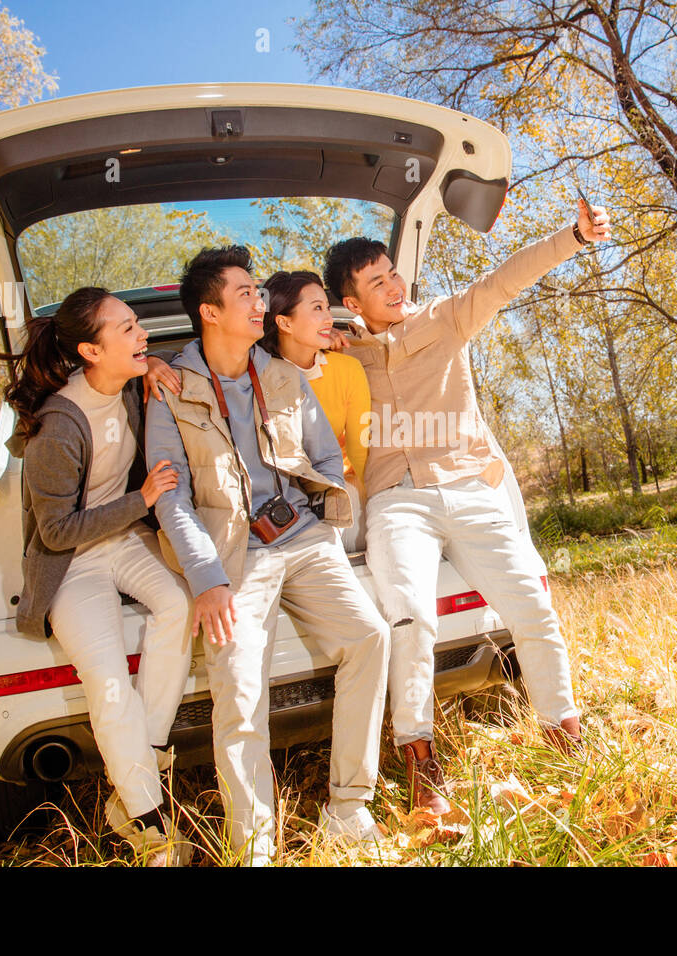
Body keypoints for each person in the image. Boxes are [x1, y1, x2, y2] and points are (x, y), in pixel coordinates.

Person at [323, 198, 612, 814]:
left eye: (393, 273)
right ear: (354, 303)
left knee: (534, 610)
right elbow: (272, 346)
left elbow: (507, 277)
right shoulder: (343, 353)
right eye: (378, 282)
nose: (395, 286)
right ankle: (420, 757)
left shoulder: (447, 319)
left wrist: (574, 238)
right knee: (411, 619)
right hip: (398, 504)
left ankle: (565, 734)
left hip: (467, 489)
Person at [144, 246, 390, 866]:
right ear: (210, 310)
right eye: (247, 293)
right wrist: (206, 579)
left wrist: (326, 520)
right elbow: (170, 501)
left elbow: (326, 458)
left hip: (303, 538)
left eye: (260, 293)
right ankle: (252, 848)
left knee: (370, 638)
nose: (260, 303)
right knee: (239, 693)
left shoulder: (281, 374)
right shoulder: (169, 389)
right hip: (231, 558)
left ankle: (348, 806)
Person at [0, 286, 195, 865]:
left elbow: (178, 361)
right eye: (127, 330)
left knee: (181, 606)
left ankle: (145, 755)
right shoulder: (58, 425)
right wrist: (145, 497)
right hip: (72, 562)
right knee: (107, 682)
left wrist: (150, 362)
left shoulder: (126, 385)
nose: (142, 335)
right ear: (90, 351)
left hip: (124, 541)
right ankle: (149, 822)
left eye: (137, 326)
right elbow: (55, 533)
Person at [258, 269, 372, 551]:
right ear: (284, 322)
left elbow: (361, 452)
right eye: (317, 308)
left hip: (336, 486)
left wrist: (380, 504)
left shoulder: (346, 369)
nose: (329, 318)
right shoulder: (257, 375)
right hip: (278, 499)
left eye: (327, 307)